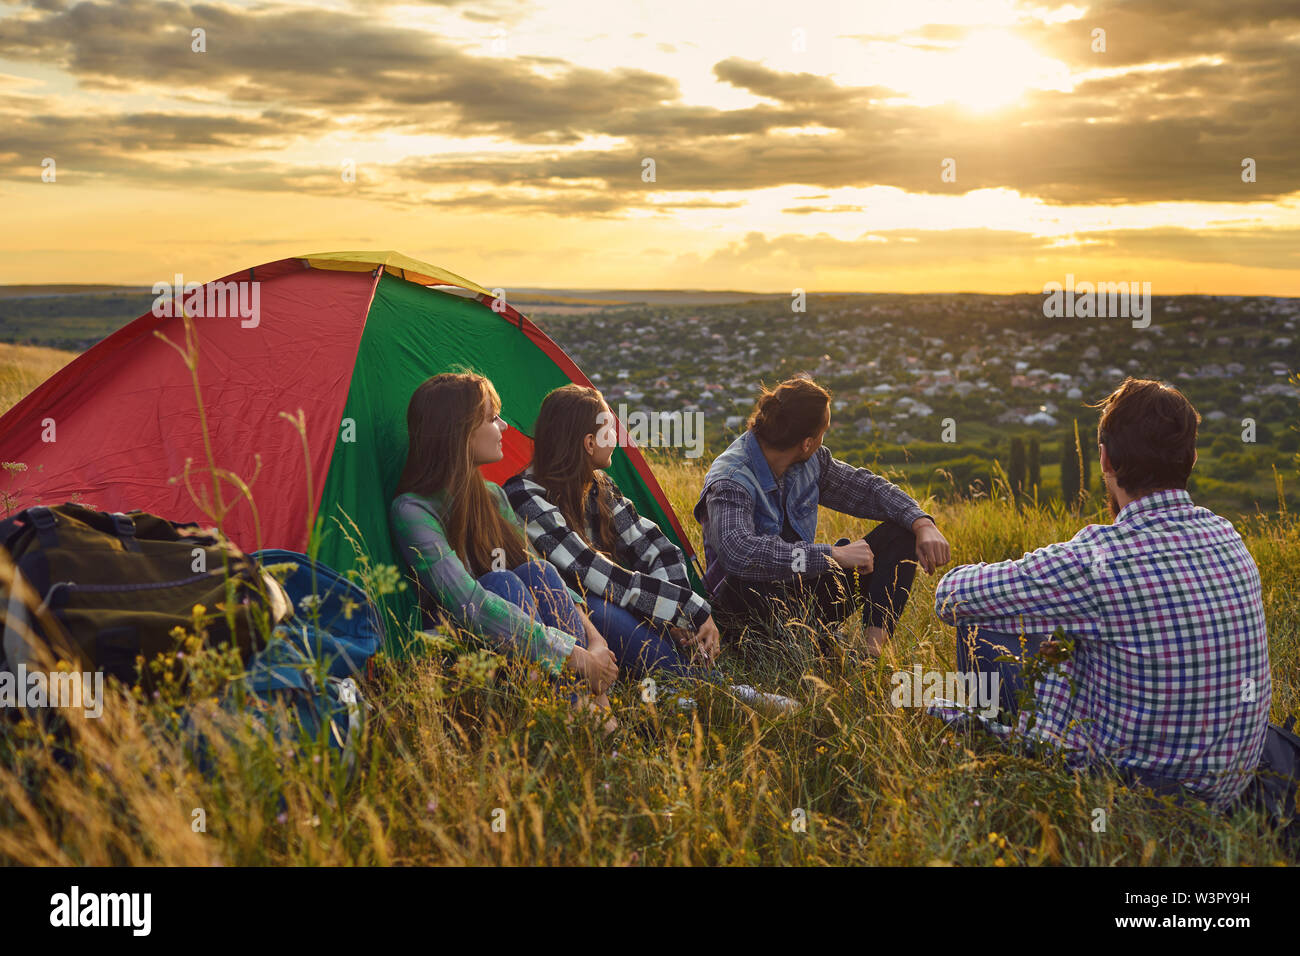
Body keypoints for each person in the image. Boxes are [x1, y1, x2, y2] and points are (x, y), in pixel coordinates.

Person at [933, 378, 1272, 810]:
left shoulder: (1097, 561)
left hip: (1127, 792)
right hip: (1226, 790)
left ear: (1105, 458)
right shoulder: (1228, 536)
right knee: (1073, 635)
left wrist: (1043, 577)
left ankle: (1012, 761)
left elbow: (951, 598)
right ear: (1191, 458)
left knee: (977, 630)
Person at [503, 384, 799, 714]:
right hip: (572, 623)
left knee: (649, 595)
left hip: (619, 613)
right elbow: (594, 574)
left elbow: (657, 547)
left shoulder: (599, 484)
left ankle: (671, 692)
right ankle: (717, 692)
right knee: (601, 607)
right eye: (609, 428)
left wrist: (681, 614)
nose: (618, 433)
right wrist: (683, 607)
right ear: (589, 443)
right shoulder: (526, 497)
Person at [388, 372, 619, 712]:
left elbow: (536, 566)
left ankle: (590, 711)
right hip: (462, 650)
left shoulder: (493, 496)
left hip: (528, 652)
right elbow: (471, 604)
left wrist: (595, 641)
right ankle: (574, 714)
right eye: (493, 418)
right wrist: (576, 657)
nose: (505, 427)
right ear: (462, 432)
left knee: (537, 569)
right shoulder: (412, 510)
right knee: (502, 582)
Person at [694, 375, 950, 655]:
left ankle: (868, 656)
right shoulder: (731, 480)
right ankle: (810, 646)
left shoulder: (811, 461)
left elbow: (867, 489)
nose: (822, 440)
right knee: (749, 580)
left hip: (800, 594)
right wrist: (832, 555)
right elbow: (740, 552)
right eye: (823, 432)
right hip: (747, 612)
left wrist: (921, 522)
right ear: (806, 442)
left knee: (900, 533)